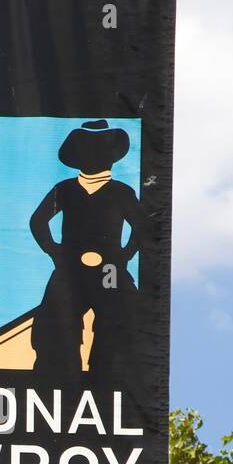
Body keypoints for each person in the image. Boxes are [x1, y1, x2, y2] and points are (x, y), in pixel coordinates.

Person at [29, 119, 148, 378]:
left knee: (120, 320)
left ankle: (108, 377)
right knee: (56, 322)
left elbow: (142, 227)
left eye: (100, 150)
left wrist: (124, 256)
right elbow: (37, 221)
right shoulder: (65, 190)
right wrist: (55, 251)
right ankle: (59, 376)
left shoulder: (120, 192)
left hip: (109, 269)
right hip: (70, 268)